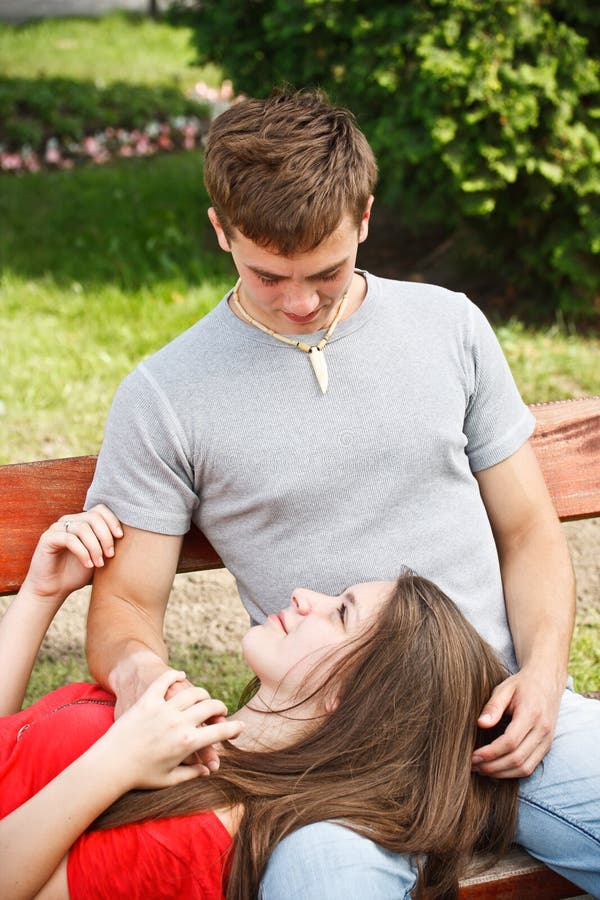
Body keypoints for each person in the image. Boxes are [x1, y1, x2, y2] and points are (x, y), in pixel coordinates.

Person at [83, 89, 600, 897]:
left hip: (502, 714)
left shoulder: (449, 327)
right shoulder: (165, 396)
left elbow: (529, 532)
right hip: (334, 757)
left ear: (364, 215)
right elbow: (123, 612)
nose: (297, 302)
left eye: (325, 273)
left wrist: (539, 678)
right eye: (267, 275)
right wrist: (140, 674)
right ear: (220, 231)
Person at [0, 510, 518, 900]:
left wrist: (117, 760)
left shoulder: (201, 836)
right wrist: (42, 596)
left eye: (340, 613)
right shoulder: (191, 740)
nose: (302, 595)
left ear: (356, 698)